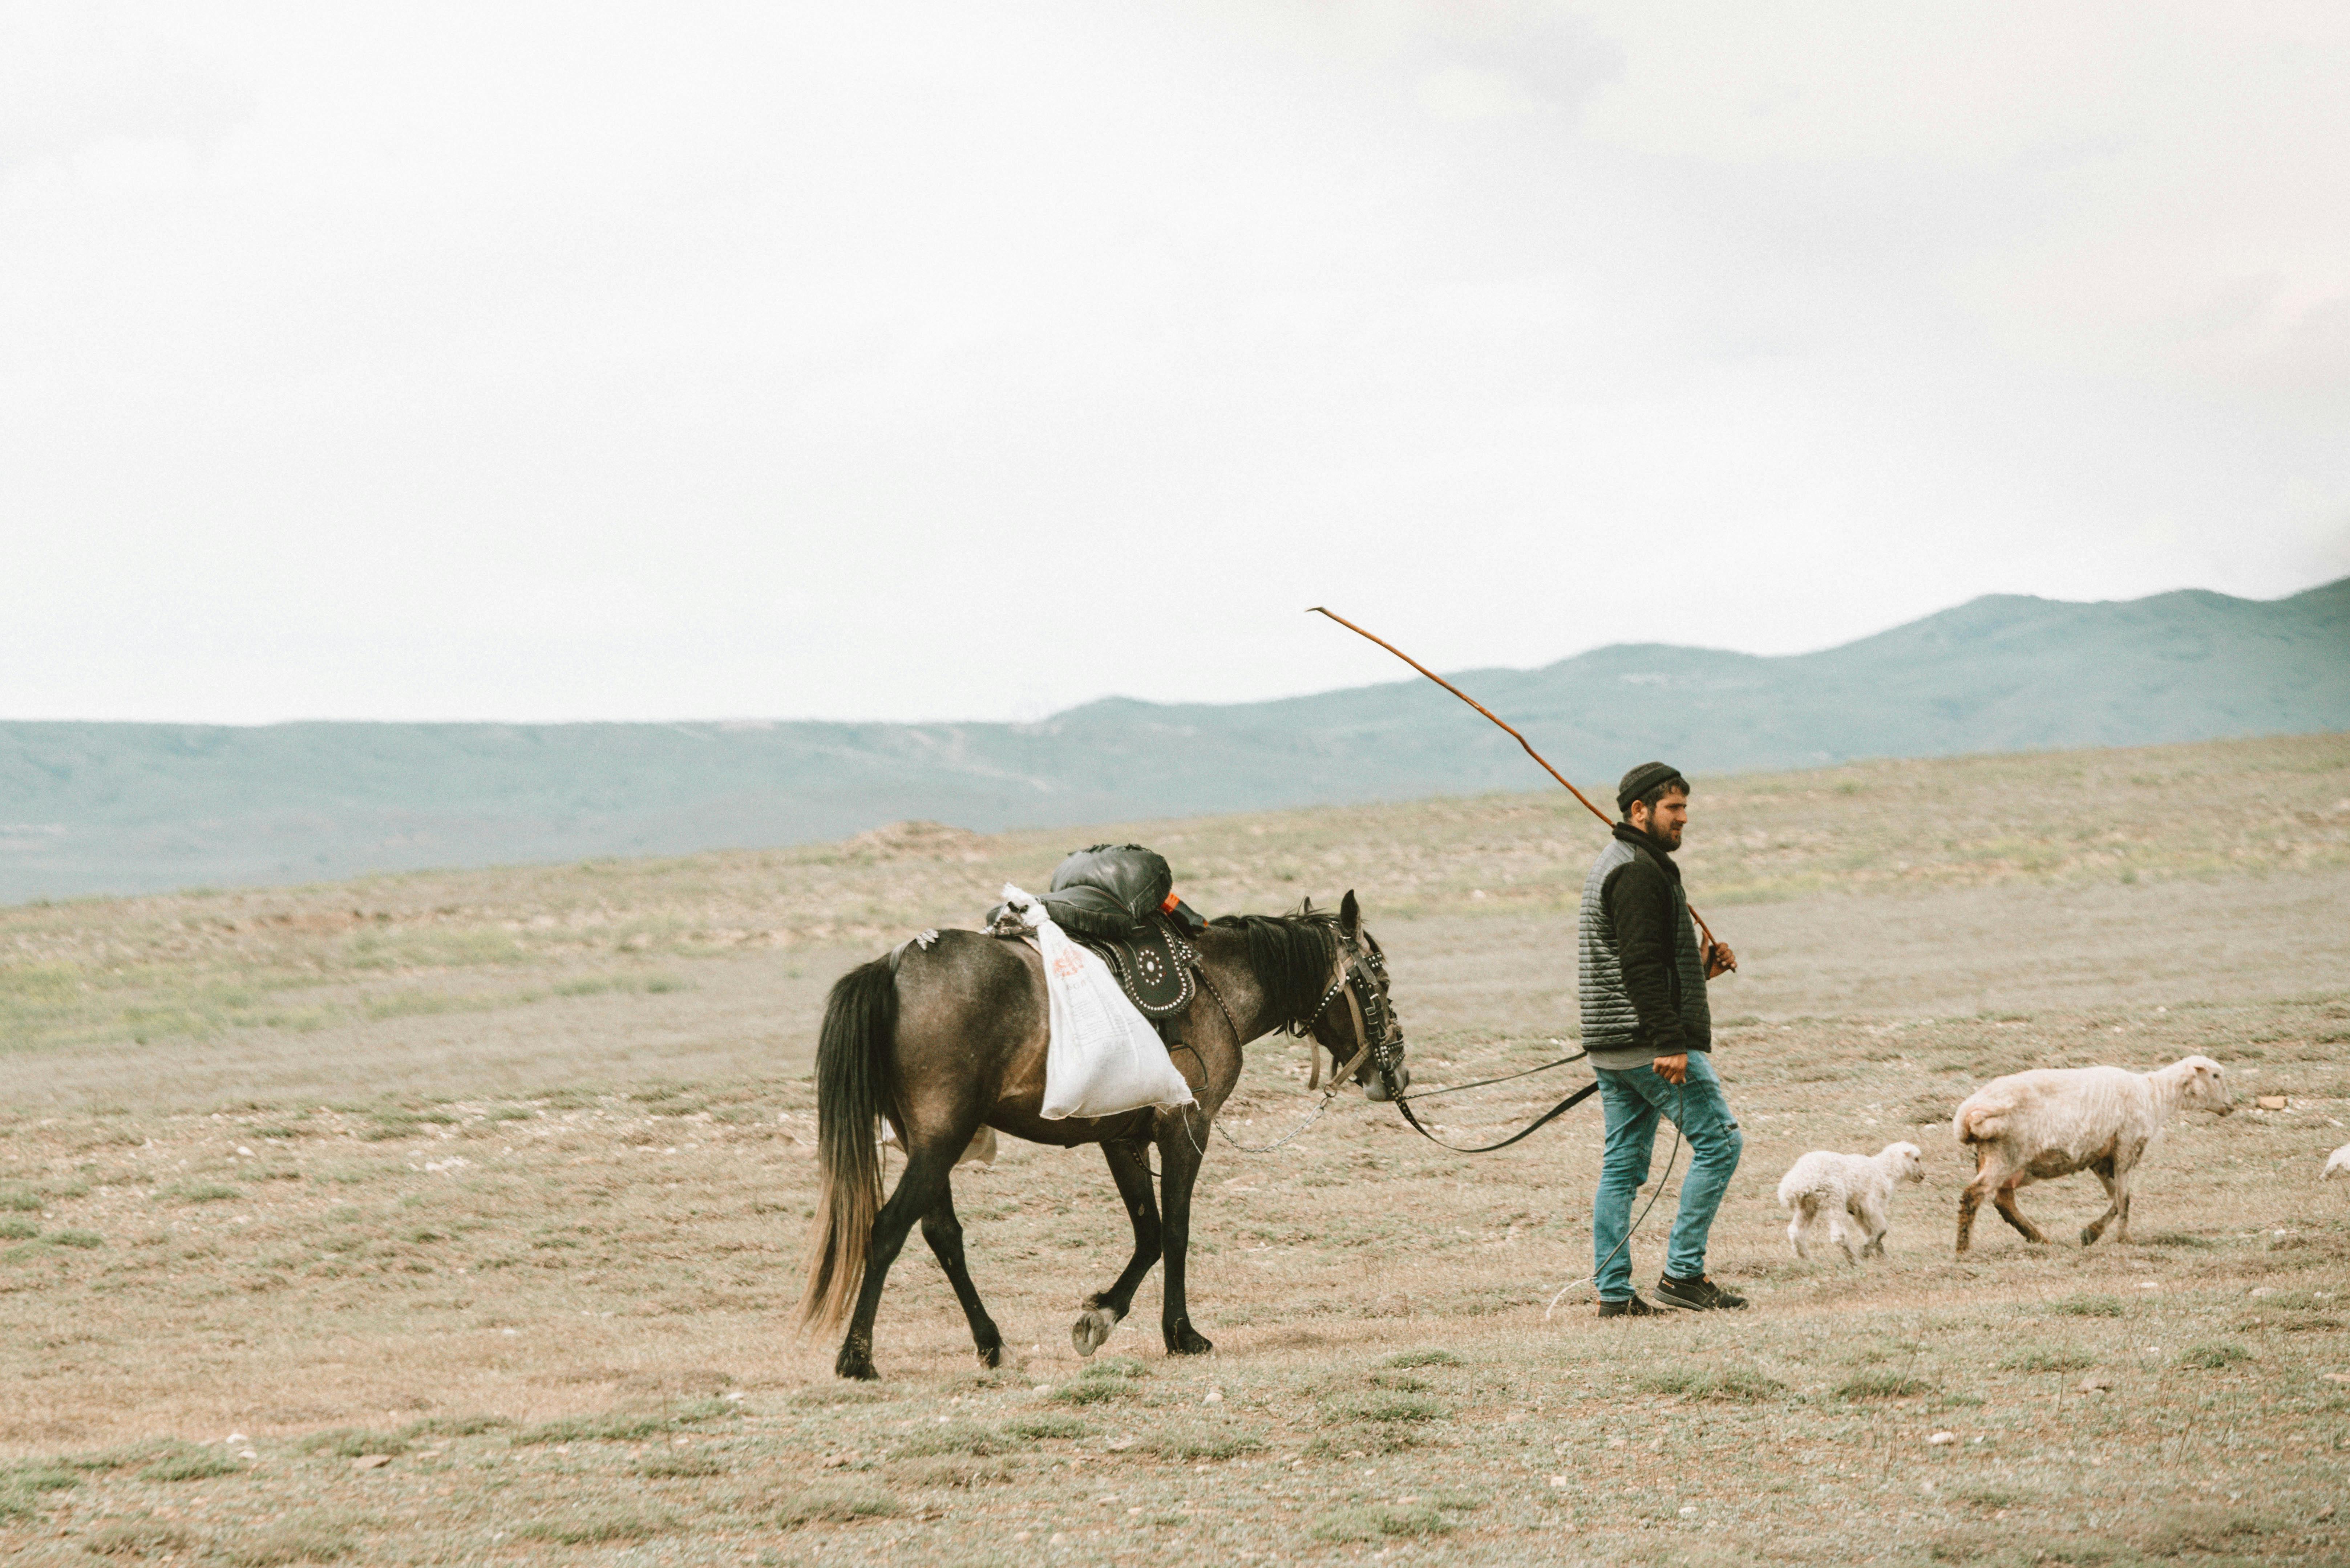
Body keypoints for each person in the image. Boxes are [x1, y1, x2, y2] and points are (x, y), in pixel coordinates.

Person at [1578, 761, 1745, 1315]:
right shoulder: (1637, 871)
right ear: (1638, 811)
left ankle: (1615, 1294)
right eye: (1673, 809)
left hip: (1616, 1043)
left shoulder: (1627, 863)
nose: (1683, 819)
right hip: (1647, 1043)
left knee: (1622, 1165)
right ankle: (1681, 1276)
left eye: (1685, 809)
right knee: (1720, 1143)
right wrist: (1670, 1041)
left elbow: (1646, 964)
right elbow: (1641, 968)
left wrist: (1700, 972)